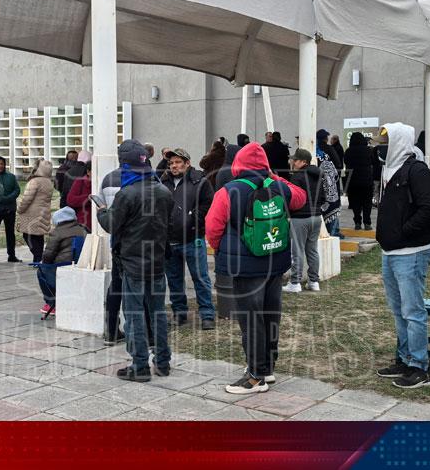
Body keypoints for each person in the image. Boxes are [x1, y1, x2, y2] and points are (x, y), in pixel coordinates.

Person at [206, 143, 306, 394]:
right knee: (271, 314)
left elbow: (212, 228)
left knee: (251, 319)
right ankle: (267, 368)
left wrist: (222, 249)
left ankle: (255, 377)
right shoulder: (279, 187)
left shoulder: (229, 190)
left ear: (239, 163)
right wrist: (274, 176)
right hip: (275, 263)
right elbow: (300, 197)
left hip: (246, 266)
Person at [96, 140, 174, 382]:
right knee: (158, 311)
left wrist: (100, 210)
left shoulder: (126, 194)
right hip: (157, 259)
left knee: (134, 313)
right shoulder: (163, 191)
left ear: (124, 164)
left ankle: (139, 365)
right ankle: (163, 362)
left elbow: (111, 225)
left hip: (132, 261)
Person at [374, 123, 430, 390]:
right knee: (398, 310)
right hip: (390, 251)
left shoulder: (417, 170)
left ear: (398, 142)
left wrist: (404, 232)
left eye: (385, 141)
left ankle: (420, 367)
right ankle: (404, 358)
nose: (380, 146)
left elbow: (429, 208)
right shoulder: (387, 169)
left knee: (413, 310)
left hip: (411, 252)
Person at [161, 148, 216, 329]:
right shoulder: (164, 182)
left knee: (200, 278)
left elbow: (208, 203)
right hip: (170, 241)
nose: (174, 166)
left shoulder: (200, 181)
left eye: (177, 162)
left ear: (187, 163)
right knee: (174, 279)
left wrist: (193, 219)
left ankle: (207, 314)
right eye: (171, 163)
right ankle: (179, 313)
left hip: (193, 239)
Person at [37, 206, 89, 318]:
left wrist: (43, 263)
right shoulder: (83, 229)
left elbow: (48, 255)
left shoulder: (57, 232)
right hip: (81, 266)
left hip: (62, 267)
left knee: (41, 271)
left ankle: (51, 302)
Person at [284, 149, 323, 293]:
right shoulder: (318, 175)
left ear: (304, 162)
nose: (293, 162)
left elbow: (293, 199)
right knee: (312, 250)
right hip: (317, 217)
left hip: (300, 218)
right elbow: (323, 197)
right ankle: (314, 281)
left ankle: (295, 282)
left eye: (296, 160)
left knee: (297, 250)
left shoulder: (297, 177)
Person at [17, 159, 55, 263]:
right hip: (44, 212)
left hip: (31, 214)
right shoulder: (48, 182)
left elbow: (27, 199)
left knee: (28, 235)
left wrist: (20, 209)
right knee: (39, 236)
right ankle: (37, 258)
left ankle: (38, 257)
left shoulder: (34, 181)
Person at [0, 156, 22, 263]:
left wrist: (8, 198)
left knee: (10, 233)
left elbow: (17, 189)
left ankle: (11, 255)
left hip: (10, 208)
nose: (0, 166)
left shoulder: (11, 176)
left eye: (2, 164)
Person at [343, 133, 374, 230]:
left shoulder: (348, 151)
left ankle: (357, 222)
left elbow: (346, 162)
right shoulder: (368, 150)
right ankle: (367, 223)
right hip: (367, 180)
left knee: (355, 202)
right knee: (367, 202)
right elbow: (372, 162)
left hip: (352, 181)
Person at [317, 150, 342, 238]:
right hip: (331, 191)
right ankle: (333, 231)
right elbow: (335, 175)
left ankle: (332, 231)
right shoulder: (326, 156)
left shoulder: (315, 157)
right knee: (332, 210)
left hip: (323, 191)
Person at [66, 162, 92, 230]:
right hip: (84, 222)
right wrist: (87, 198)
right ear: (88, 172)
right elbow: (70, 200)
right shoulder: (80, 182)